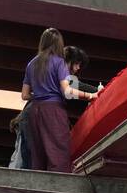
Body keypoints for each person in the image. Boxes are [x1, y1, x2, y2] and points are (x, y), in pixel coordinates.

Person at [22, 28, 98, 174]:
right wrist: (90, 96)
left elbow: (25, 95)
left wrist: (40, 94)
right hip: (53, 110)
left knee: (38, 157)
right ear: (59, 43)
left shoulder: (32, 63)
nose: (77, 68)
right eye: (76, 64)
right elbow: (68, 90)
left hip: (34, 111)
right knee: (58, 153)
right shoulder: (59, 63)